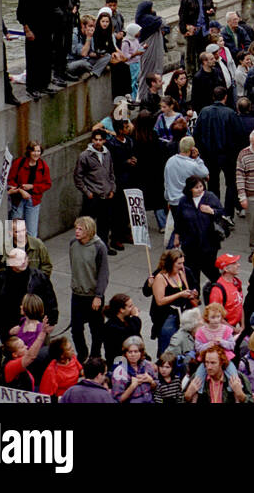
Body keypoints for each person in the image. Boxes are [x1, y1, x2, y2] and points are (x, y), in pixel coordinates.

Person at [68, 216, 109, 360]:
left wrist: (98, 296)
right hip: (77, 294)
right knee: (76, 329)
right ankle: (82, 353)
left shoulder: (99, 247)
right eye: (76, 228)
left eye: (81, 229)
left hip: (93, 296)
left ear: (89, 230)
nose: (77, 232)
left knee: (96, 330)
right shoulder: (73, 243)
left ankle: (95, 355)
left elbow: (103, 273)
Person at [74, 130, 119, 255]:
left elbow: (111, 173)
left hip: (106, 195)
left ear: (104, 140)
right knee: (87, 223)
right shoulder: (85, 156)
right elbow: (78, 177)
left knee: (104, 223)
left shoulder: (107, 153)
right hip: (92, 195)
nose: (98, 142)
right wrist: (87, 192)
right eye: (96, 139)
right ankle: (84, 247)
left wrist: (112, 189)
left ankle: (103, 247)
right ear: (92, 140)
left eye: (100, 139)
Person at [6, 141, 52, 238]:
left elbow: (47, 184)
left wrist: (33, 187)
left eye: (38, 151)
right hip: (17, 199)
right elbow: (10, 180)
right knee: (14, 230)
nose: (36, 154)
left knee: (31, 231)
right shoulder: (19, 163)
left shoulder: (43, 166)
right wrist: (21, 190)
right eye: (34, 151)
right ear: (29, 152)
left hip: (33, 200)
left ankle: (30, 252)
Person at [111, 336, 159, 403]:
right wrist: (132, 386)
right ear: (125, 354)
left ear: (141, 352)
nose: (133, 355)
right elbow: (118, 399)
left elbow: (156, 387)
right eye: (130, 352)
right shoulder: (120, 372)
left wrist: (151, 381)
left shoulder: (148, 365)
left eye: (136, 351)